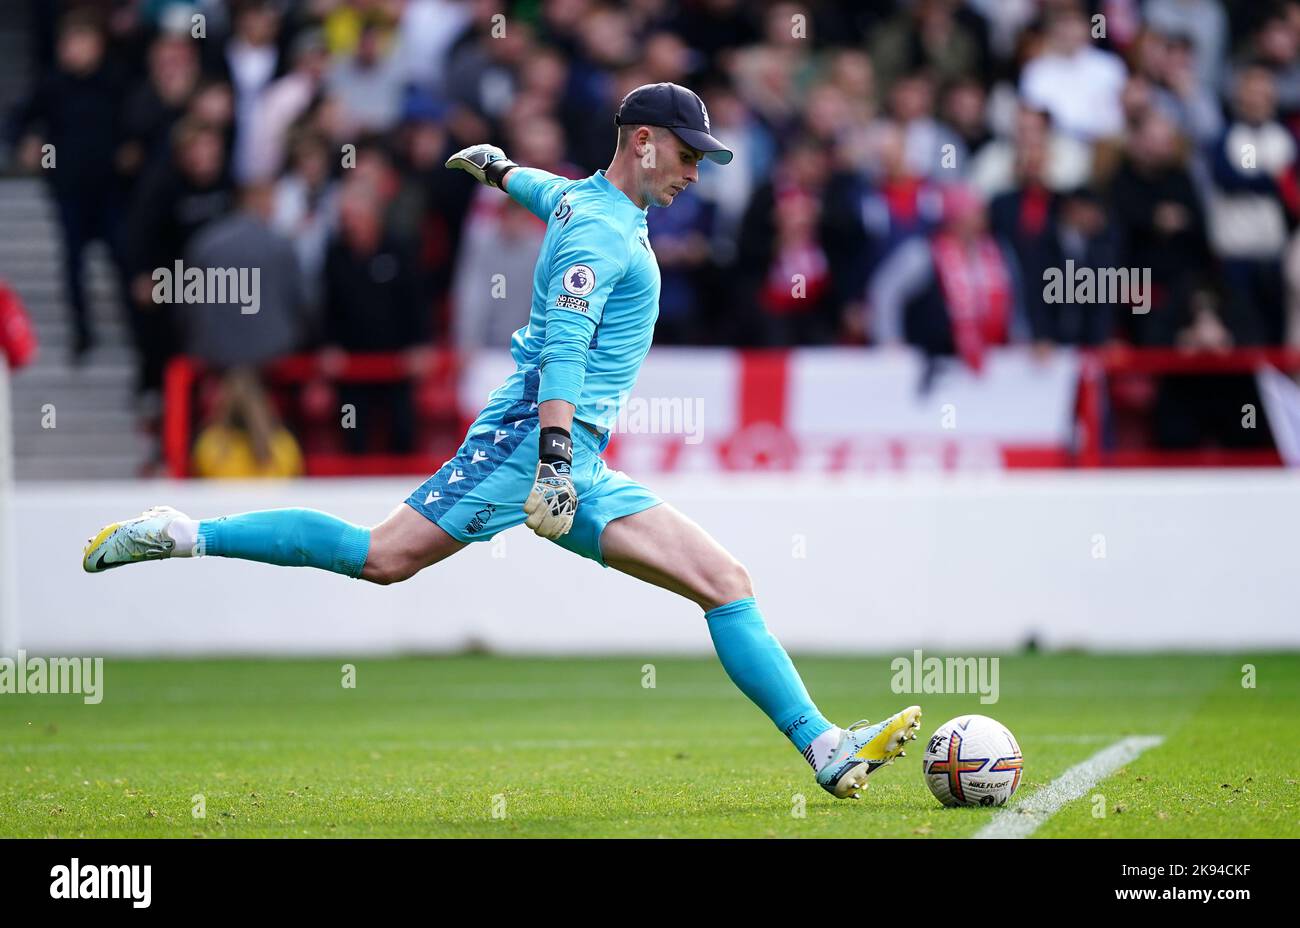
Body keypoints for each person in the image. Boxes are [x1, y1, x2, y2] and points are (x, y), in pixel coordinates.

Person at [81, 83, 921, 800]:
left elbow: (549, 192)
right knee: (383, 557)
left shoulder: (587, 203)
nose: (697, 172)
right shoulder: (599, 232)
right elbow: (565, 344)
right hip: (533, 443)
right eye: (689, 155)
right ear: (643, 143)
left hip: (574, 454)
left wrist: (499, 170)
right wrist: (553, 458)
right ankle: (184, 533)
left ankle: (825, 748)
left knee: (724, 581)